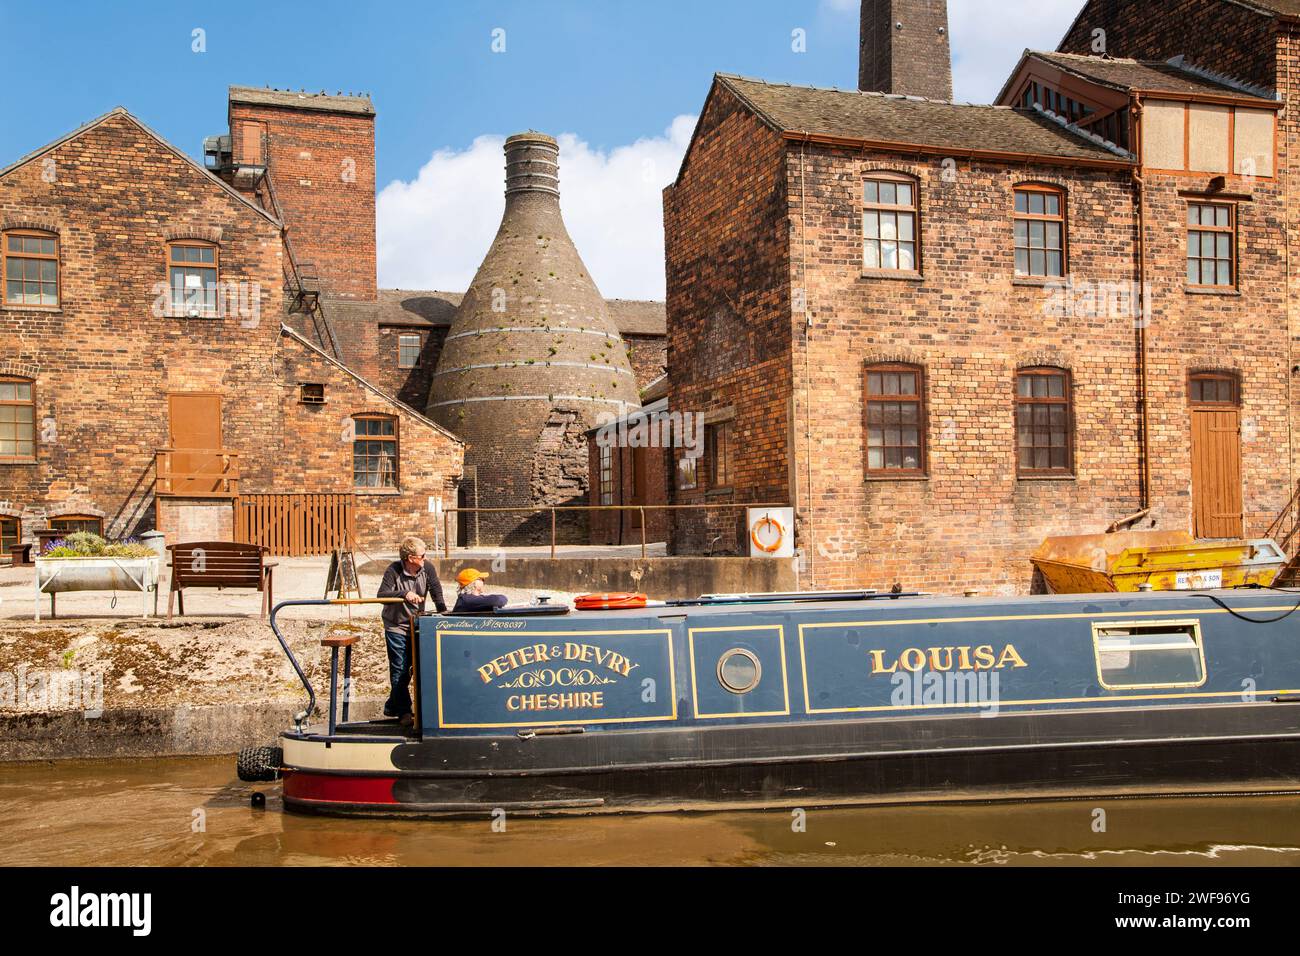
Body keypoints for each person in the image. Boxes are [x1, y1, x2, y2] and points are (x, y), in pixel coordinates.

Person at [376, 536, 447, 726]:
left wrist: (444, 614)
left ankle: (394, 705)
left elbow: (436, 591)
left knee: (418, 668)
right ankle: (404, 712)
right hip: (396, 626)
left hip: (418, 625)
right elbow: (381, 595)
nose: (425, 559)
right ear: (410, 558)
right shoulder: (393, 570)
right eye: (422, 556)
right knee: (399, 669)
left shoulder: (427, 568)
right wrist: (404, 594)